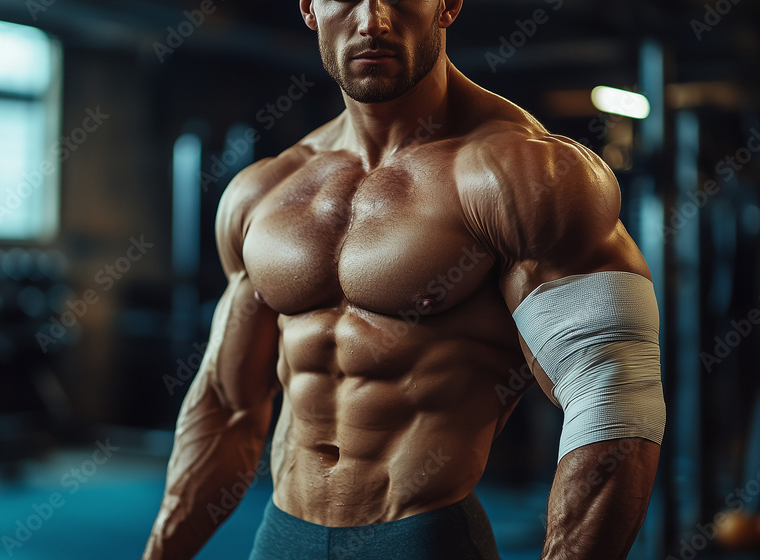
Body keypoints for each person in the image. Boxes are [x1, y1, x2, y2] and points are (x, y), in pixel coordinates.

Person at [144, 1, 665, 558]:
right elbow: (228, 405)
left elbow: (614, 401)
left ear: (449, 5)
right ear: (309, 8)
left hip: (419, 537)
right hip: (281, 536)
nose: (373, 20)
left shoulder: (527, 174)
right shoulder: (264, 191)